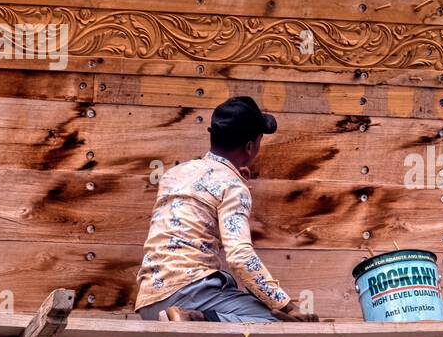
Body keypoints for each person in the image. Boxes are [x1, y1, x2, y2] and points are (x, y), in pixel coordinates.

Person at [133, 96, 317, 324]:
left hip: (149, 302)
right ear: (250, 146)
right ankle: (195, 318)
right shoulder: (232, 186)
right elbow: (240, 256)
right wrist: (287, 306)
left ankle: (193, 316)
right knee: (284, 325)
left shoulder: (175, 174)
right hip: (190, 295)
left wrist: (235, 178)